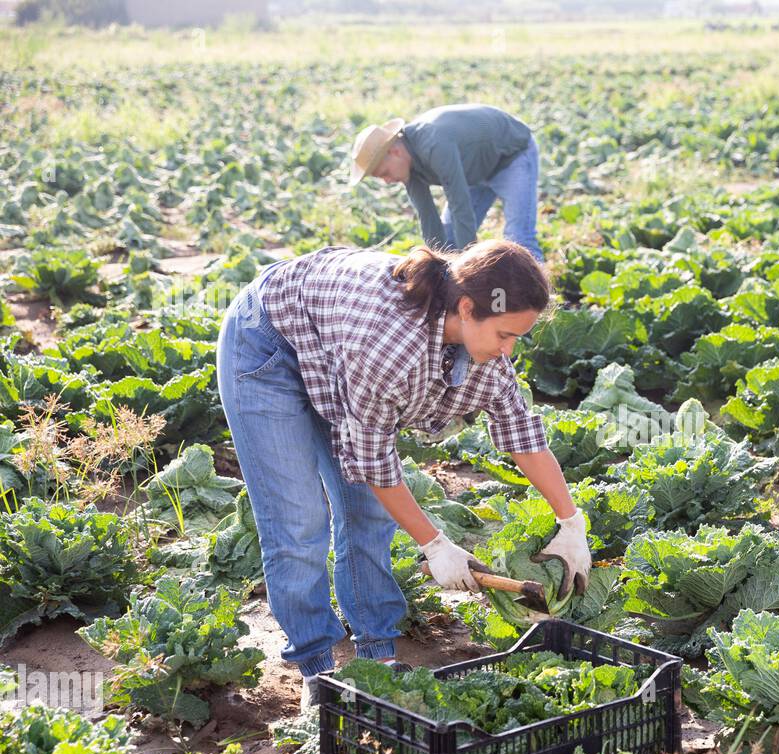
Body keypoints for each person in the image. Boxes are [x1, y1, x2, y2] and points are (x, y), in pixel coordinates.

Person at [214, 239, 590, 711]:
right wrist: (434, 546)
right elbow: (375, 464)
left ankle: (377, 654)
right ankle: (317, 666)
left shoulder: (486, 348)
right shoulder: (390, 348)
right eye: (504, 335)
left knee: (367, 513)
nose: (508, 350)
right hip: (270, 345)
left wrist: (571, 523)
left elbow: (522, 436)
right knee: (297, 519)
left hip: (336, 347)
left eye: (518, 337)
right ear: (468, 307)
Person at [349, 105, 544, 264]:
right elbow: (427, 217)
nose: (387, 181)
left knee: (519, 239)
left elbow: (461, 206)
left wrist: (470, 268)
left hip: (511, 157)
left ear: (395, 152)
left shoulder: (433, 143)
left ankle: (540, 304)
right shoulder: (408, 167)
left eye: (384, 173)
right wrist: (436, 268)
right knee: (449, 242)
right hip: (475, 171)